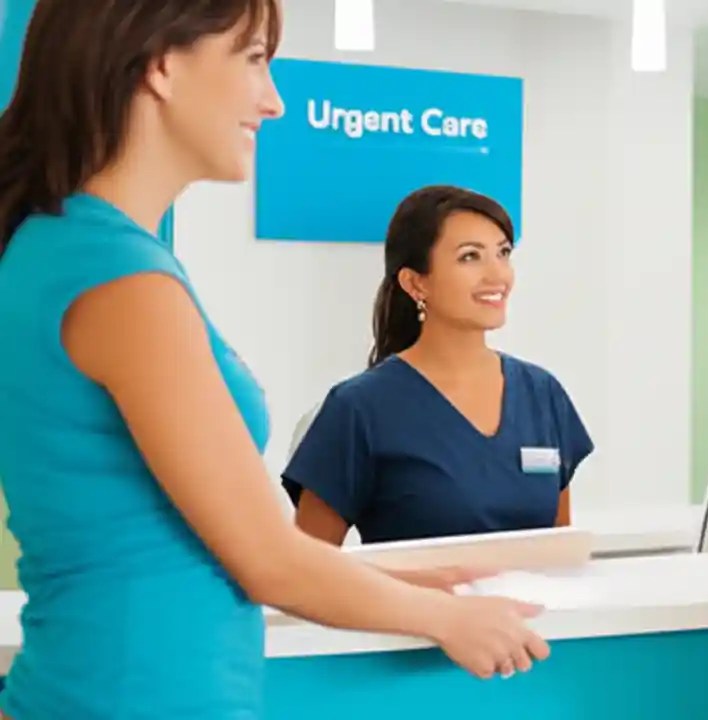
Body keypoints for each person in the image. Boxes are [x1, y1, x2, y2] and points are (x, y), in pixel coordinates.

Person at [0, 2, 549, 718]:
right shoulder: (121, 281)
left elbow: (163, 534)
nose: (273, 99)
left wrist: (407, 583)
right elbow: (268, 560)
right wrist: (452, 620)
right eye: (254, 58)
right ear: (162, 65)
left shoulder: (58, 250)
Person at [282, 185, 594, 548]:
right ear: (415, 282)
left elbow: (558, 551)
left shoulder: (542, 394)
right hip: (409, 606)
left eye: (503, 253)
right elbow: (310, 569)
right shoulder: (359, 408)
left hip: (529, 606)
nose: (497, 275)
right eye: (470, 257)